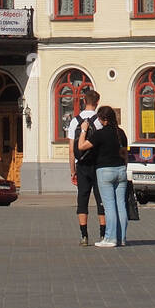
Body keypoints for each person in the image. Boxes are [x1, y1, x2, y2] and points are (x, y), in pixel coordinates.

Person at [78, 106, 129, 247]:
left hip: (105, 171)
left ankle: (110, 238)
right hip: (121, 170)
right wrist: (124, 168)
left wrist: (83, 130)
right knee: (121, 206)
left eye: (100, 119)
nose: (99, 121)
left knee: (109, 206)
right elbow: (125, 154)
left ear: (104, 119)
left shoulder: (100, 134)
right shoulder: (121, 133)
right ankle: (121, 238)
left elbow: (81, 146)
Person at [67, 88, 106, 246]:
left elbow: (71, 150)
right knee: (100, 199)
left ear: (84, 101)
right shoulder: (99, 121)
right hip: (97, 164)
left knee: (82, 199)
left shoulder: (74, 121)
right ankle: (103, 234)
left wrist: (72, 171)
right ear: (97, 102)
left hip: (81, 165)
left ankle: (84, 236)